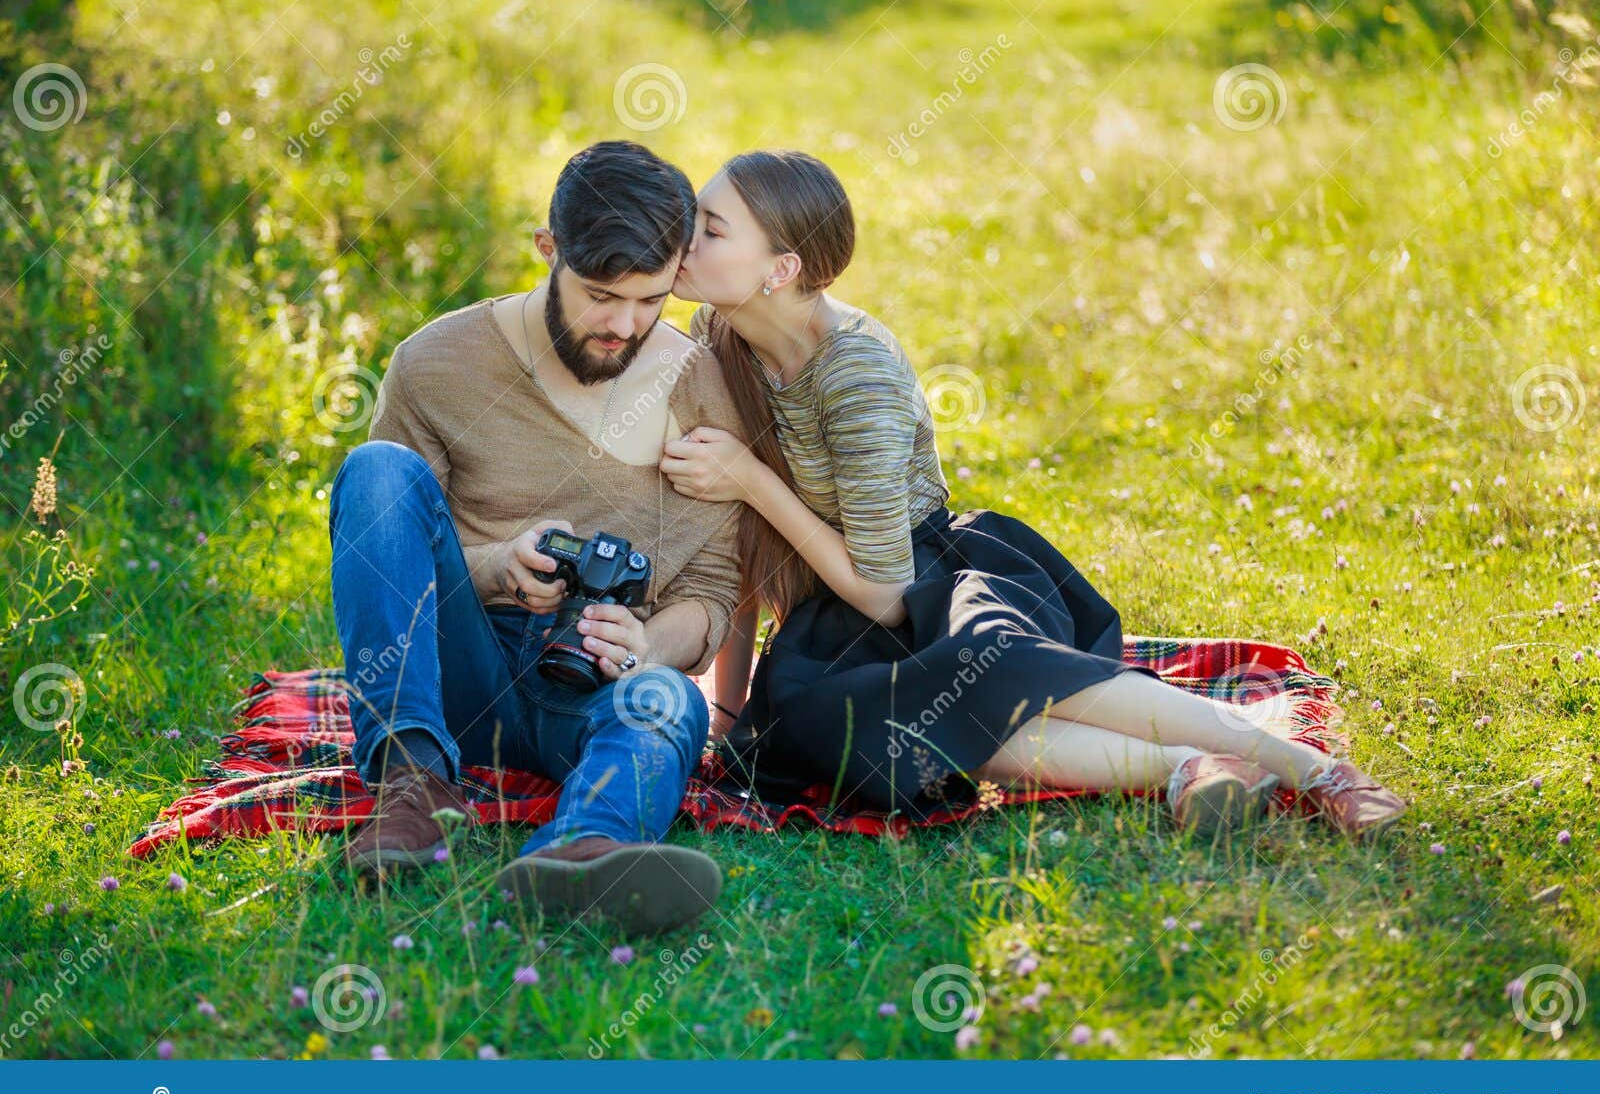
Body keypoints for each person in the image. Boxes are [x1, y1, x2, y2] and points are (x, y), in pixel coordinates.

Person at [659, 149, 1406, 840]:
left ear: (780, 269)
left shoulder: (854, 375)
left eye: (711, 228)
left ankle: (1307, 765)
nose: (684, 238)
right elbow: (742, 536)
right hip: (835, 610)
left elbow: (888, 589)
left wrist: (751, 479)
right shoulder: (720, 336)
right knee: (874, 736)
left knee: (992, 665)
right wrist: (728, 712)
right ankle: (1185, 767)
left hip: (928, 577)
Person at [329, 140, 743, 934]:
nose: (625, 325)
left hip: (591, 688)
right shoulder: (436, 362)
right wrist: (496, 566)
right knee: (375, 467)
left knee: (663, 701)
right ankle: (413, 785)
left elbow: (715, 593)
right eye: (600, 295)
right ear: (546, 249)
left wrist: (647, 642)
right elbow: (391, 532)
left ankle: (580, 851)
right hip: (460, 666)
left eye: (652, 300)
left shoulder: (703, 387)